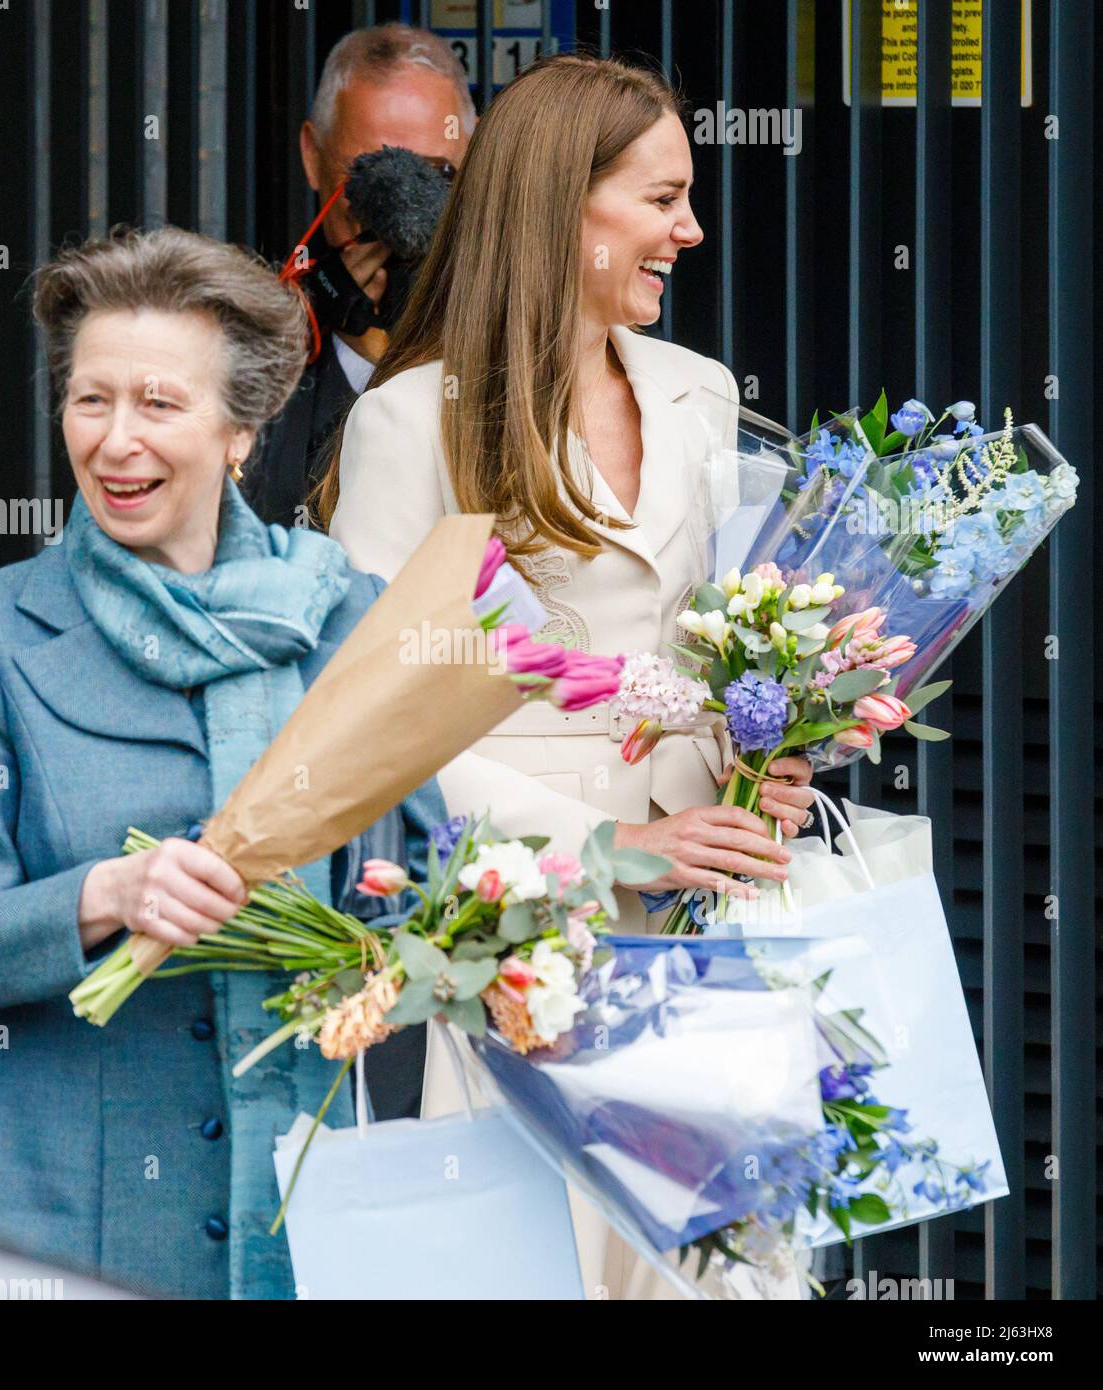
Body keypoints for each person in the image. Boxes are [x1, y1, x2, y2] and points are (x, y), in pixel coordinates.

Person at [320, 53, 817, 1300]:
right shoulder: (409, 422)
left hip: (710, 933)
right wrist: (608, 845)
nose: (689, 231)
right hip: (520, 943)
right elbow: (374, 718)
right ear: (561, 204)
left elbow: (714, 647)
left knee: (720, 1275)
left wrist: (769, 756)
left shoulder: (699, 393)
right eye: (661, 199)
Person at [0, 226, 444, 1300]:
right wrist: (110, 892)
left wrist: (419, 939)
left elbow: (414, 896)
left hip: (304, 1201)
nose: (113, 441)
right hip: (65, 1220)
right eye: (89, 400)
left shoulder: (345, 615)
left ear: (242, 431)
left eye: (158, 404)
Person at [241, 22, 474, 532]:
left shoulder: (512, 335)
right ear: (312, 155)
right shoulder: (252, 337)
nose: (400, 207)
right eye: (369, 174)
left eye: (437, 174)